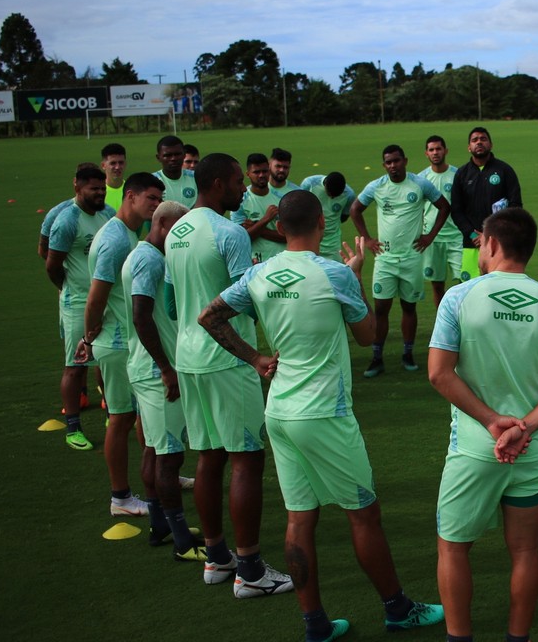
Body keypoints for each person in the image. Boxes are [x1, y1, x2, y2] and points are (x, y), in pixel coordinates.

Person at [201, 190, 444, 639]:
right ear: (320, 223)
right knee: (363, 514)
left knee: (299, 518)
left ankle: (314, 623)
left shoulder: (259, 273)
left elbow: (209, 316)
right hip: (324, 413)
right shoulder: (333, 273)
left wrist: (255, 358)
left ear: (283, 226)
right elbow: (368, 335)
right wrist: (354, 276)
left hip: (280, 412)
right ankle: (398, 609)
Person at [428, 207, 538, 642]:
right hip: (532, 451)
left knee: (454, 548)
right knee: (525, 551)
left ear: (492, 244)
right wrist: (526, 427)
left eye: (481, 242)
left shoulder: (459, 297)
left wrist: (494, 422)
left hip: (476, 449)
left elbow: (439, 373)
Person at [165, 152, 293, 598]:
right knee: (246, 459)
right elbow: (245, 298)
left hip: (189, 358)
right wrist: (256, 354)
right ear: (218, 183)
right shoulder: (230, 232)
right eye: (238, 182)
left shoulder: (176, 229)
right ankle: (252, 572)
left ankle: (218, 560)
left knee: (208, 456)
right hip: (227, 359)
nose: (243, 189)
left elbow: (175, 298)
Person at [76, 172, 165, 517]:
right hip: (116, 344)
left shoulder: (131, 232)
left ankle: (159, 477)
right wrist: (88, 338)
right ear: (131, 196)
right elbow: (95, 297)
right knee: (121, 418)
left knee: (143, 413)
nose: (156, 206)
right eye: (151, 199)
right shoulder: (114, 240)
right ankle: (121, 498)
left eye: (159, 200)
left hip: (127, 341)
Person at [122, 199, 207, 560]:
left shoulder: (146, 255)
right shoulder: (149, 260)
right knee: (169, 458)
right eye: (180, 228)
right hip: (156, 372)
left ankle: (161, 526)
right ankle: (181, 542)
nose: (183, 236)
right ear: (164, 224)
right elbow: (142, 316)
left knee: (154, 449)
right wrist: (167, 368)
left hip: (147, 368)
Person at [351, 144, 451, 377]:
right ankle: (377, 357)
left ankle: (408, 353)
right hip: (384, 259)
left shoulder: (420, 184)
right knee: (381, 308)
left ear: (405, 161)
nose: (393, 166)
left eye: (396, 161)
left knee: (409, 306)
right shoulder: (377, 186)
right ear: (384, 165)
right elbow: (355, 209)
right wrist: (367, 239)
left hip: (412, 259)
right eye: (388, 162)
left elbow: (444, 207)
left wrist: (430, 236)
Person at [46, 166, 115, 451]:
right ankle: (73, 427)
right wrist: (70, 290)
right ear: (78, 187)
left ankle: (115, 413)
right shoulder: (67, 220)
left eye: (102, 188)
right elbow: (51, 265)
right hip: (77, 304)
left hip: (108, 300)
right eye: (93, 189)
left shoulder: (109, 214)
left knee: (109, 357)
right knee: (75, 366)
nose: (99, 193)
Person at [449, 126, 523, 282]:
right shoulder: (462, 174)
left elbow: (516, 207)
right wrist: (472, 234)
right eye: (474, 140)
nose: (479, 142)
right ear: (469, 147)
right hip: (471, 244)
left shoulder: (505, 171)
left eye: (483, 139)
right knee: (470, 293)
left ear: (491, 144)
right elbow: (456, 210)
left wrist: (493, 234)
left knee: (498, 290)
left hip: (499, 244)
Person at [418, 135, 467, 307]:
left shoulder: (458, 175)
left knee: (464, 283)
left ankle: (462, 321)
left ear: (445, 150)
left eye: (438, 149)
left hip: (457, 237)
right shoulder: (421, 179)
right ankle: (442, 324)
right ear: (426, 153)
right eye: (431, 150)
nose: (435, 152)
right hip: (432, 239)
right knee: (437, 285)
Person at [231, 153, 286, 264]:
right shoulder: (240, 201)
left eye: (264, 171)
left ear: (269, 171)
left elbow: (288, 236)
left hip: (281, 260)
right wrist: (266, 219)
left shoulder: (281, 199)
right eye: (256, 172)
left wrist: (256, 227)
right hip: (256, 262)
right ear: (248, 174)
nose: (261, 175)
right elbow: (241, 239)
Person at [299, 172, 356, 262]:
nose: (332, 197)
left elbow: (344, 217)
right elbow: (298, 208)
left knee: (335, 273)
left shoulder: (349, 195)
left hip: (332, 245)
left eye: (336, 196)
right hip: (308, 241)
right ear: (325, 184)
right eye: (330, 194)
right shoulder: (309, 184)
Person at [154, 135, 198, 208]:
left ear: (184, 155)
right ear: (158, 158)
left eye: (177, 154)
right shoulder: (152, 181)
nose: (173, 158)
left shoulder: (196, 178)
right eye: (167, 155)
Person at [101, 143, 127, 211]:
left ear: (125, 164)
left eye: (121, 163)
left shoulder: (131, 190)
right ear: (103, 165)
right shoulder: (98, 193)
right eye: (113, 163)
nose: (117, 167)